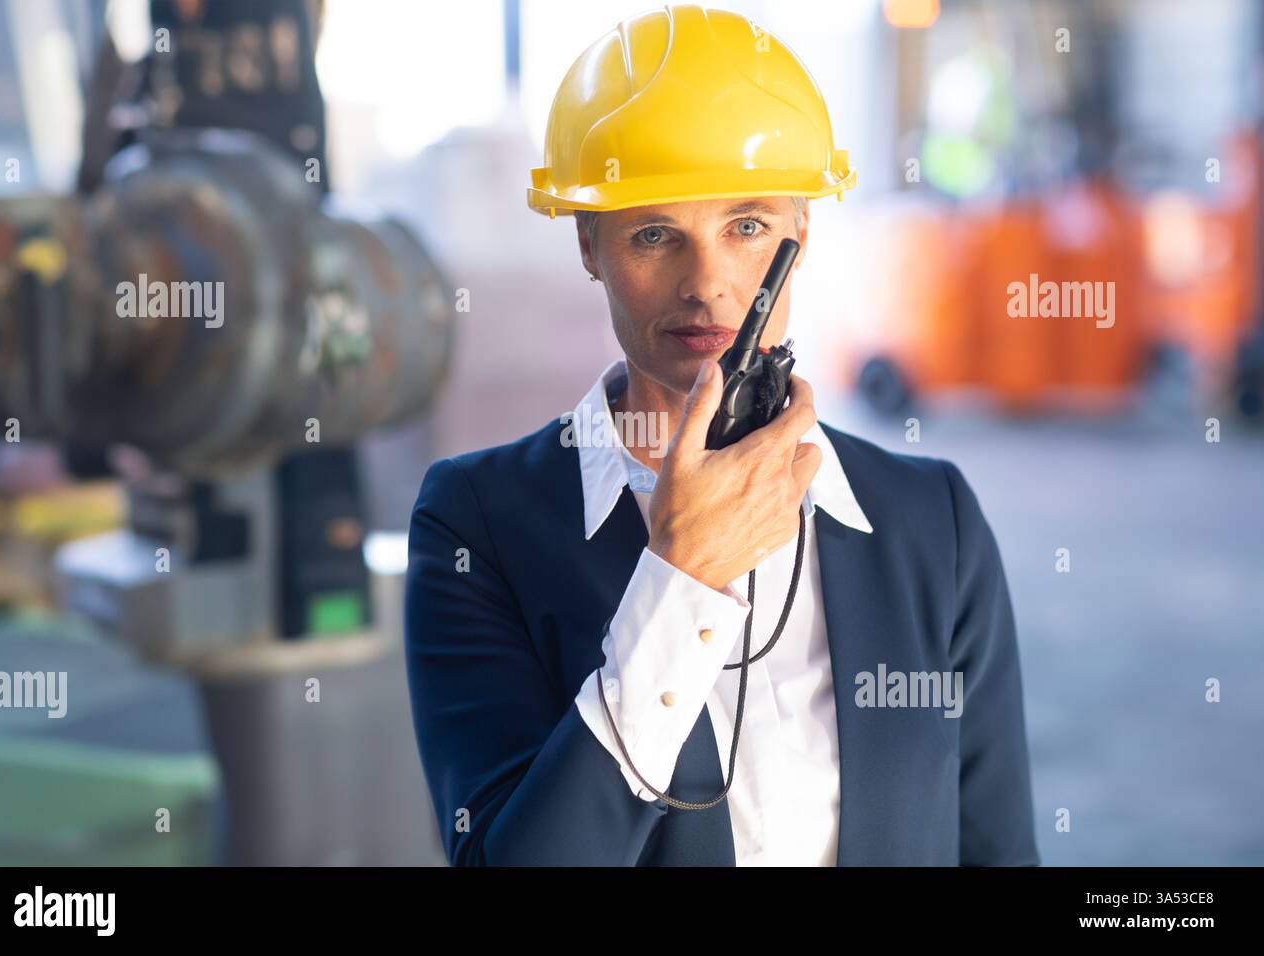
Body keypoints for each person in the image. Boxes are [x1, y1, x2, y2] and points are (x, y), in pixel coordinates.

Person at [404, 3, 1038, 866]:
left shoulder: (933, 523)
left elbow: (996, 850)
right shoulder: (477, 526)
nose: (707, 285)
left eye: (747, 228)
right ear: (589, 243)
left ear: (800, 235)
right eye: (655, 234)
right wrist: (681, 578)